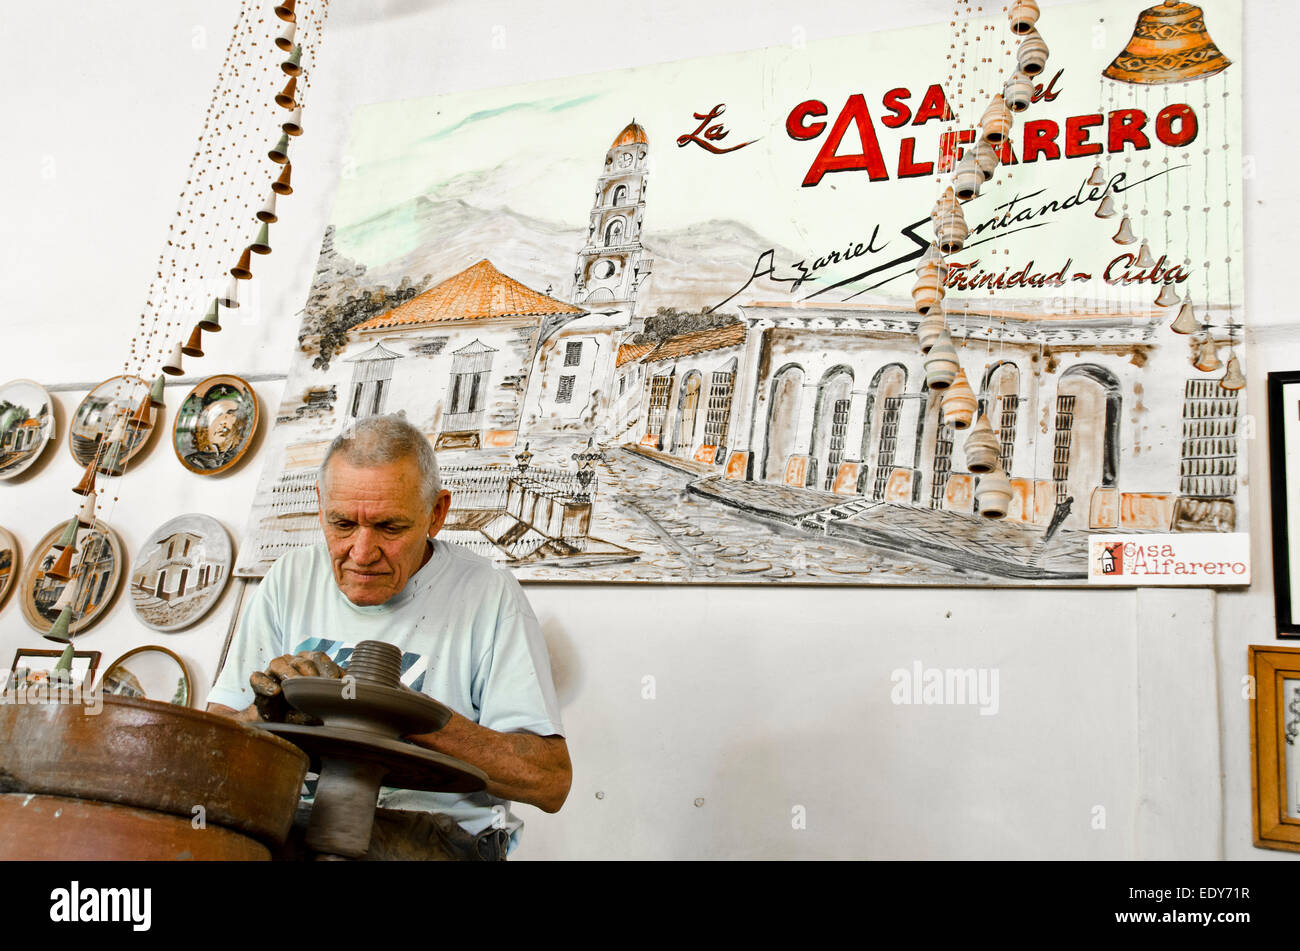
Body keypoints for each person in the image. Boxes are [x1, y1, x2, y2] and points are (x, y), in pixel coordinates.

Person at [206, 414, 571, 859]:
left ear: (436, 514)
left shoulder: (488, 593)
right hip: (296, 818)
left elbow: (549, 781)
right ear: (320, 504)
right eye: (342, 524)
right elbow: (214, 744)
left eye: (389, 528)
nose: (361, 554)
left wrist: (401, 713)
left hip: (435, 836)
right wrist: (265, 716)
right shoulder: (290, 577)